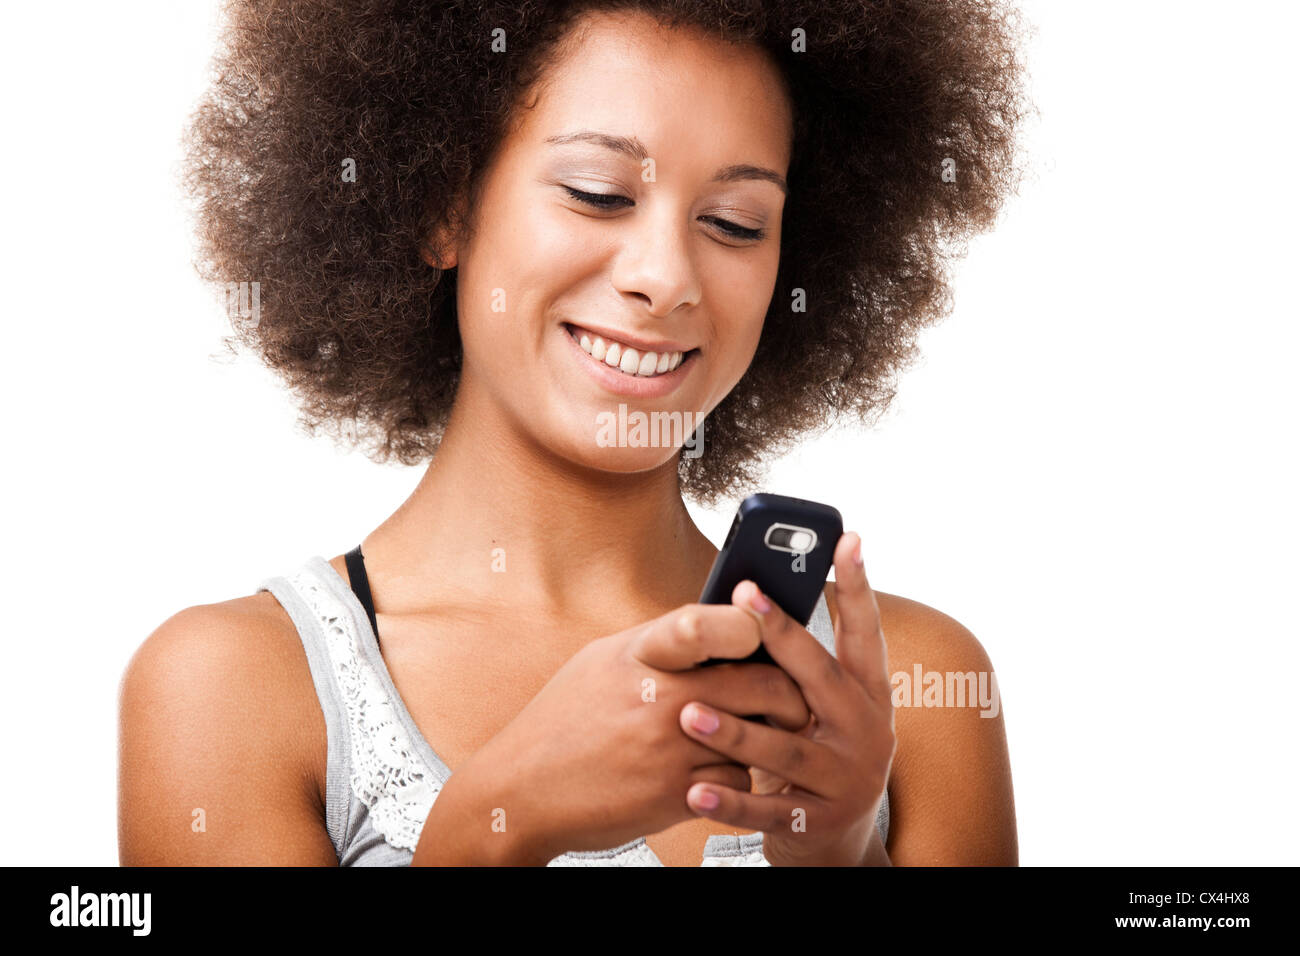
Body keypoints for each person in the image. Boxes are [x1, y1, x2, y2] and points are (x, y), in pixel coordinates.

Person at [120, 0, 1027, 866]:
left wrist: (837, 856)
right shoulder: (232, 687)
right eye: (598, 194)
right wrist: (493, 825)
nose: (667, 276)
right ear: (443, 203)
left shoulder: (916, 686)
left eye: (732, 223)